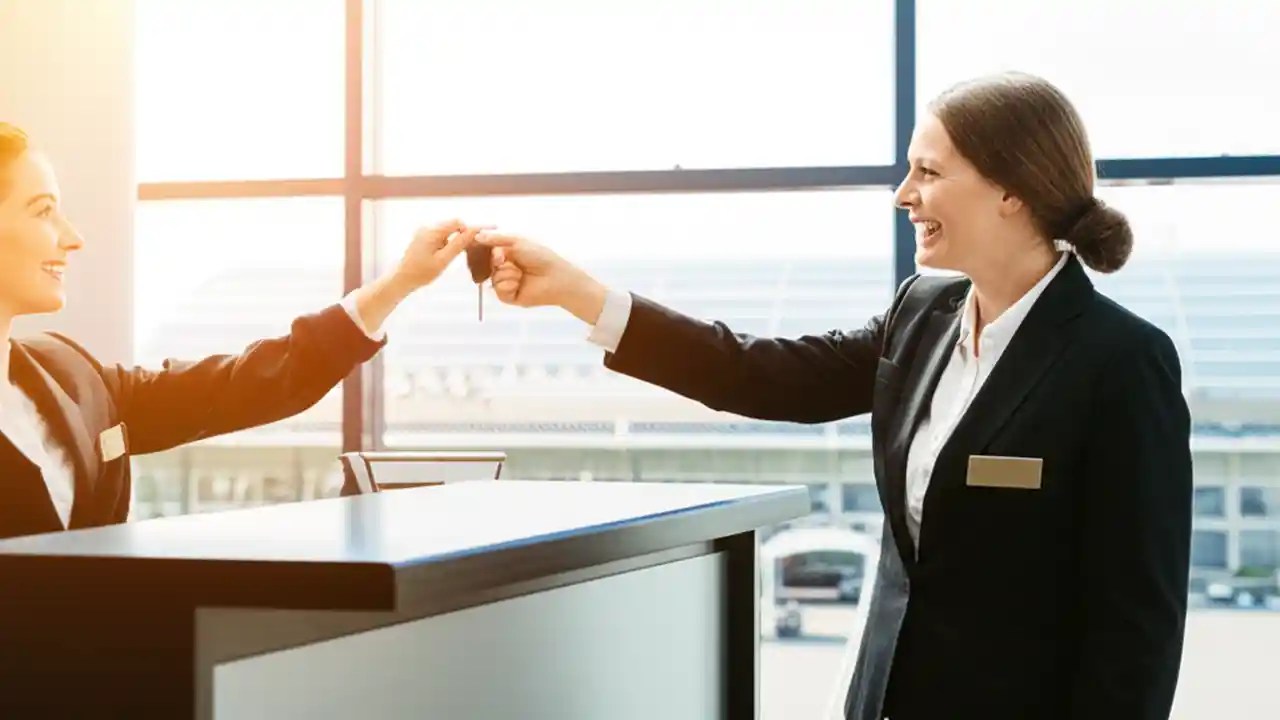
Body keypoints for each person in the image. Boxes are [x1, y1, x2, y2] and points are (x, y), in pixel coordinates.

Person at [475, 72, 1193, 719]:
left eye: (928, 172)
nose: (903, 195)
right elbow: (760, 373)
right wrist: (581, 296)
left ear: (1011, 190)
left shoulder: (1120, 363)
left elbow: (1137, 628)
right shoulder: (922, 313)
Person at [0, 121, 482, 539]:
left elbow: (243, 385)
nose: (73, 237)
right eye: (43, 211)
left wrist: (397, 285)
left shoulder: (67, 374)